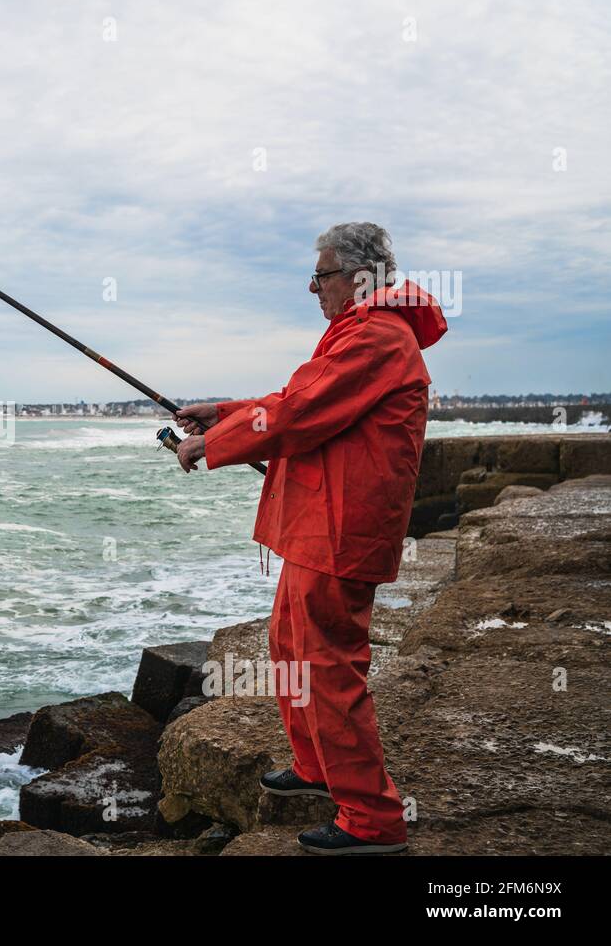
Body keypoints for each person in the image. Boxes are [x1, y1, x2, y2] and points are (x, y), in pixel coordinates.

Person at [173, 222, 447, 854]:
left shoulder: (377, 335)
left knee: (327, 666)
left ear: (357, 276)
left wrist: (208, 445)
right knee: (290, 644)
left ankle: (373, 819)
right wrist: (228, 412)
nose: (312, 287)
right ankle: (317, 767)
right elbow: (296, 396)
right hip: (318, 524)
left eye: (319, 275)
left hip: (342, 528)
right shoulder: (358, 331)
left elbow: (298, 413)